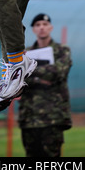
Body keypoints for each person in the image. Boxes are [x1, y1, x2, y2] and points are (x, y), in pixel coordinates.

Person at [18, 13, 72, 157]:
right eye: (38, 25)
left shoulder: (62, 51)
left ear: (51, 28)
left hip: (53, 116)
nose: (42, 28)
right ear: (33, 29)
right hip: (29, 117)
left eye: (45, 24)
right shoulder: (25, 54)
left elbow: (58, 73)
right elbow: (19, 79)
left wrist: (31, 68)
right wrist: (43, 75)